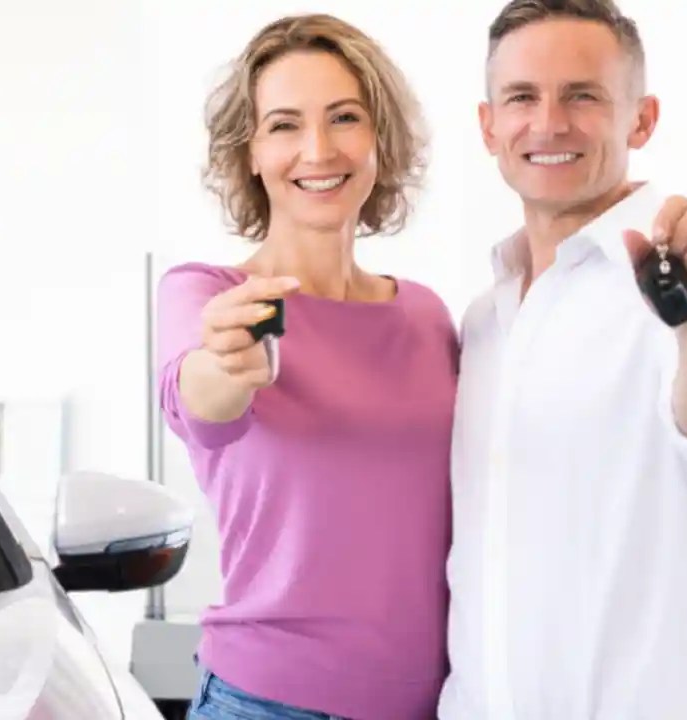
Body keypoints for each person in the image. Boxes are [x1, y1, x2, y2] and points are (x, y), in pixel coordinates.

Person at [438, 1, 687, 718]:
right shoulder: (485, 320)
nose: (548, 124)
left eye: (583, 95)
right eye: (522, 97)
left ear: (641, 120)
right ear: (488, 126)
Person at [155, 13, 456, 720]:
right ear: (251, 152)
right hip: (266, 704)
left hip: (437, 703)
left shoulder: (428, 316)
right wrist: (226, 365)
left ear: (379, 139)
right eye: (284, 125)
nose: (317, 149)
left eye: (344, 117)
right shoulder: (208, 295)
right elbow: (197, 396)